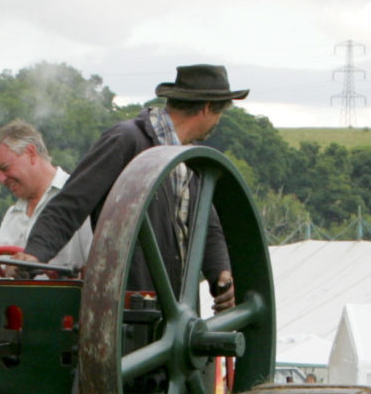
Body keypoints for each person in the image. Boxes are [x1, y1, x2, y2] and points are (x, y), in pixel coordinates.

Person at [19, 65, 241, 312]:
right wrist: (35, 254)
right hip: (128, 307)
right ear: (208, 108)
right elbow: (72, 202)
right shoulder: (126, 140)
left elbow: (206, 226)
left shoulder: (192, 161)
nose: (218, 123)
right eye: (220, 114)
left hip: (175, 311)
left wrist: (220, 273)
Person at [0, 120, 95, 270]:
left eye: (5, 168)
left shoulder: (80, 200)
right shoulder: (11, 216)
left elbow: (98, 272)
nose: (1, 179)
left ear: (31, 153)